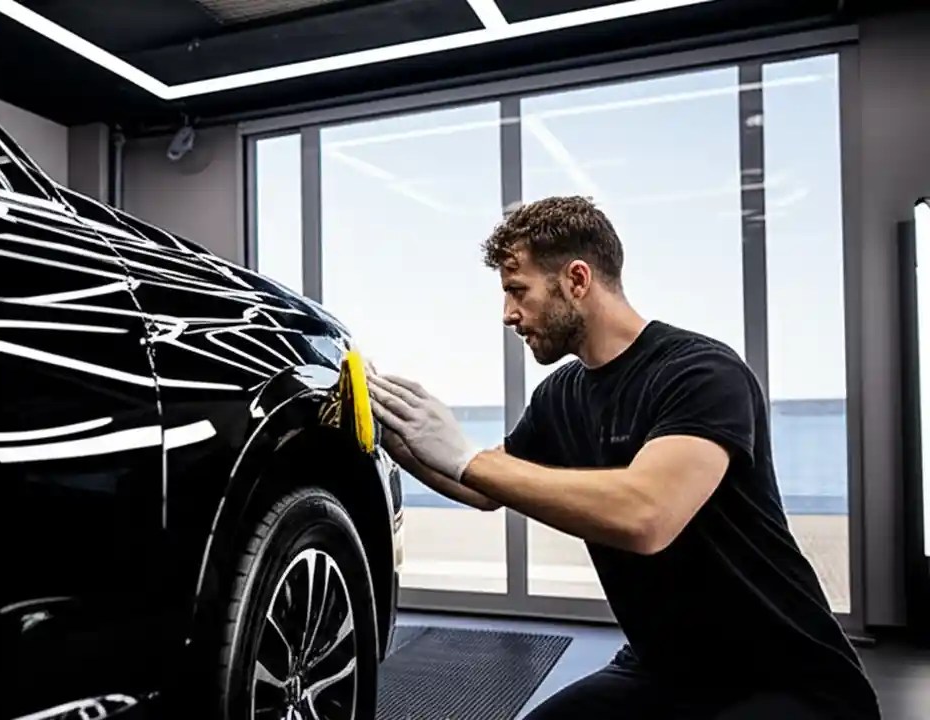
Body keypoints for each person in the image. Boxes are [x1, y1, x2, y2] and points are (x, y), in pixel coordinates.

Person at [366, 196, 880, 720]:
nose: (508, 314)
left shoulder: (701, 372)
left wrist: (466, 455)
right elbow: (481, 486)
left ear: (577, 279)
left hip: (784, 676)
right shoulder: (560, 395)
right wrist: (389, 432)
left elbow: (646, 515)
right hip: (661, 668)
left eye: (517, 291)